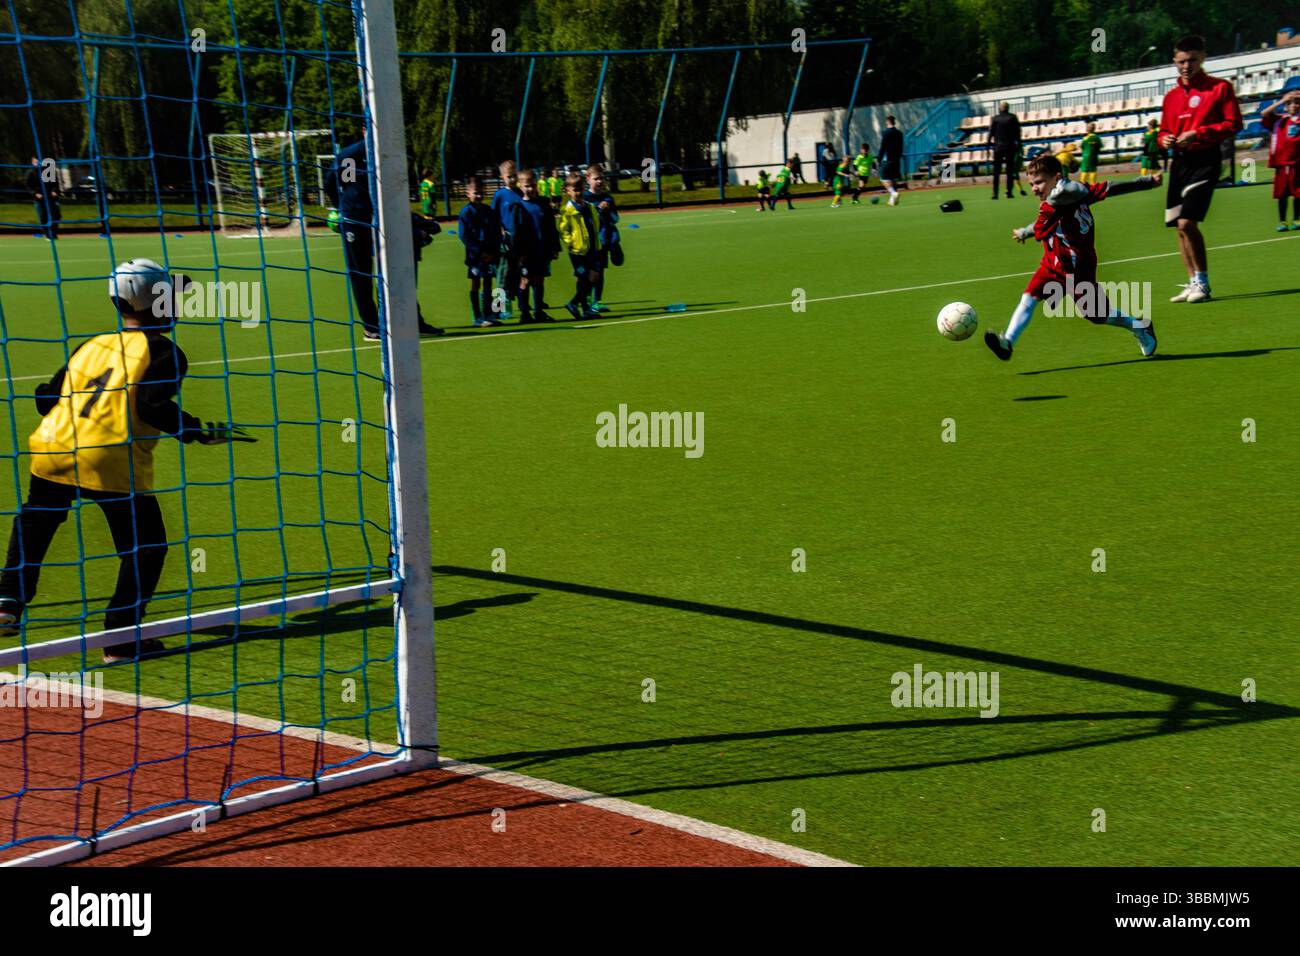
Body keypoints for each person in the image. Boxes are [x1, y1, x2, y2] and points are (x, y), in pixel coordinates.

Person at [0, 260, 255, 661]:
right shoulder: (164, 351)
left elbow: (46, 398)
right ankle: (119, 636)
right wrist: (197, 430)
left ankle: (6, 605)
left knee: (35, 523)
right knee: (147, 547)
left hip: (52, 450)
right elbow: (151, 405)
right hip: (109, 459)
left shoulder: (93, 344)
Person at [983, 154, 1161, 362]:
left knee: (1097, 316)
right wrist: (1024, 232)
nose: (1034, 188)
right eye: (1031, 183)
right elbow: (1042, 224)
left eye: (1039, 182)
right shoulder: (1063, 198)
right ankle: (1007, 343)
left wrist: (1146, 182)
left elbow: (1110, 188)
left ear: (1056, 178)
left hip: (1077, 269)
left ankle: (1140, 326)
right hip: (1052, 262)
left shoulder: (1064, 198)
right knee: (1029, 297)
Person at [325, 141, 443, 339]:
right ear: (365, 130)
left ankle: (412, 321)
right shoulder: (352, 155)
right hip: (356, 220)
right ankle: (371, 326)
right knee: (361, 274)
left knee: (397, 271)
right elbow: (334, 183)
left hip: (386, 219)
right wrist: (344, 207)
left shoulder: (391, 151)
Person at [1159, 34, 1242, 304]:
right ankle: (1192, 281)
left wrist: (1199, 133)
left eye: (1192, 60)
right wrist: (1165, 139)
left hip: (1206, 160)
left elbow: (1233, 124)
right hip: (1179, 163)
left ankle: (1203, 283)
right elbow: (1163, 131)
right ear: (1174, 61)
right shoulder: (1171, 96)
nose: (1186, 66)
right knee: (1178, 228)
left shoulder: (1220, 88)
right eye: (1182, 61)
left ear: (1203, 58)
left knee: (1187, 222)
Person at [458, 175, 502, 327]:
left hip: (490, 254)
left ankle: (490, 314)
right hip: (475, 256)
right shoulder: (466, 213)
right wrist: (478, 252)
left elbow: (496, 231)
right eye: (476, 192)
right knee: (476, 283)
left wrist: (493, 251)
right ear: (468, 193)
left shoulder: (488, 210)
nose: (479, 196)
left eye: (481, 192)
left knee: (490, 283)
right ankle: (477, 317)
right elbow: (464, 236)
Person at [557, 174, 602, 320]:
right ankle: (581, 307)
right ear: (568, 191)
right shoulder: (567, 210)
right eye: (574, 190)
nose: (578, 192)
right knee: (584, 278)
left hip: (592, 249)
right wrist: (571, 243)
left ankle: (579, 305)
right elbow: (563, 230)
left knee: (593, 277)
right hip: (578, 252)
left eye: (580, 189)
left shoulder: (589, 207)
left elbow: (594, 224)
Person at [583, 164, 622, 313]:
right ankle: (585, 298)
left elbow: (615, 218)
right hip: (591, 242)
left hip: (605, 239)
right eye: (596, 178)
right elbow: (586, 219)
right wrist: (598, 209)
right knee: (592, 272)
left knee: (601, 272)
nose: (599, 181)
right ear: (588, 179)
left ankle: (596, 301)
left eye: (601, 178)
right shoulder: (586, 198)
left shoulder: (608, 198)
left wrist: (608, 210)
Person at [1261, 89, 1300, 231]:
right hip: (1282, 164)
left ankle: (1296, 219)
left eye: (1297, 103)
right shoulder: (1278, 120)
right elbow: (1264, 113)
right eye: (1291, 103)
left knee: (1298, 194)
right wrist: (1282, 100)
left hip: (1297, 164)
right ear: (1286, 106)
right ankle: (1282, 221)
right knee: (1282, 195)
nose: (1294, 106)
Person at [491, 160, 524, 318]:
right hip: (504, 243)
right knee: (502, 274)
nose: (512, 179)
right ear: (502, 177)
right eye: (509, 176)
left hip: (519, 241)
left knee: (516, 273)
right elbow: (494, 217)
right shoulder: (499, 195)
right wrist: (501, 232)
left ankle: (510, 302)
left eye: (514, 176)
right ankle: (498, 308)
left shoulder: (520, 193)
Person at [989, 102, 1021, 199]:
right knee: (1009, 171)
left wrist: (988, 144)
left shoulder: (995, 118)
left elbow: (991, 132)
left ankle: (995, 193)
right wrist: (1019, 144)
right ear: (1008, 108)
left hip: (998, 147)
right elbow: (1018, 132)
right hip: (1009, 147)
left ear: (1000, 108)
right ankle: (1009, 192)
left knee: (996, 172)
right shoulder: (1012, 117)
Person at [26, 156, 61, 240]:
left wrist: (54, 191)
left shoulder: (48, 170)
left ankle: (53, 232)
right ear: (32, 162)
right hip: (40, 198)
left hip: (51, 197)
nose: (38, 162)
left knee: (56, 215)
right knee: (43, 216)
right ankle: (47, 234)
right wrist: (35, 193)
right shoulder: (31, 172)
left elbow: (55, 183)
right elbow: (28, 186)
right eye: (35, 161)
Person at [878, 115, 904, 206]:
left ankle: (893, 193)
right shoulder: (899, 133)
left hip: (888, 159)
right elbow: (901, 146)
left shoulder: (886, 133)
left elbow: (883, 146)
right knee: (893, 179)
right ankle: (892, 201)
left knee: (883, 178)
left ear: (888, 122)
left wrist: (879, 158)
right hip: (897, 159)